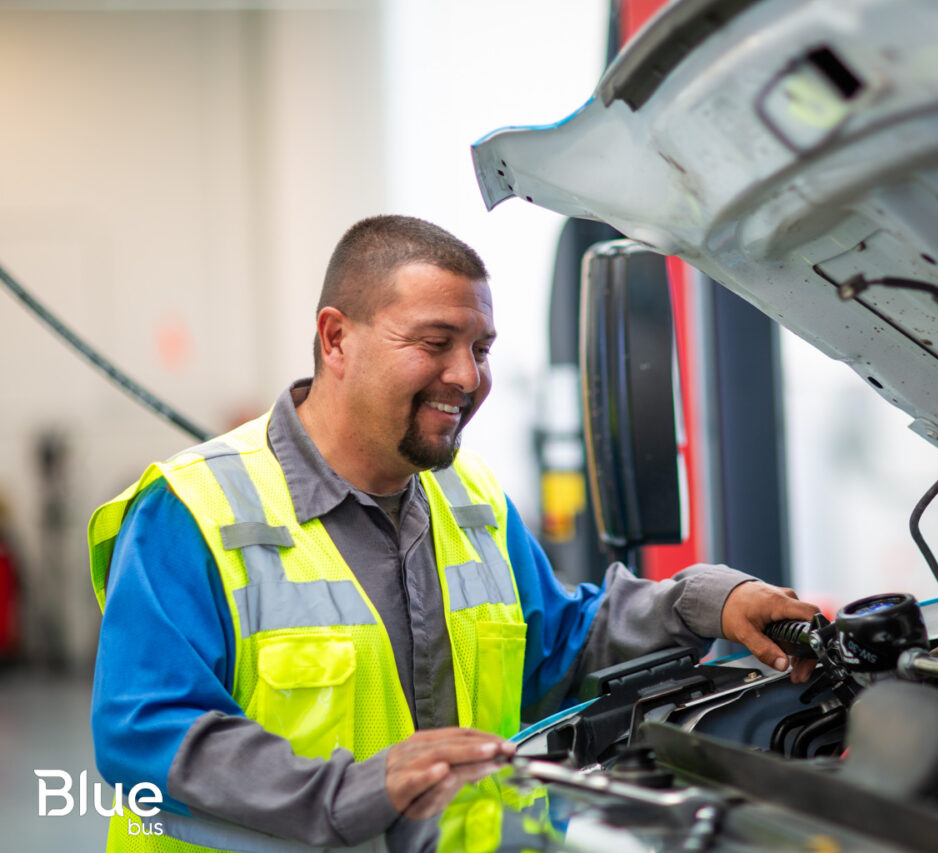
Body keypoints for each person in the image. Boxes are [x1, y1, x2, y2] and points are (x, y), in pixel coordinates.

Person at [88, 215, 818, 852]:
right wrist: (348, 791)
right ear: (336, 339)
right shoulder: (193, 509)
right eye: (436, 342)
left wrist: (706, 601)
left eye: (482, 348)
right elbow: (145, 730)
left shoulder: (470, 498)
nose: (467, 377)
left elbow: (557, 643)